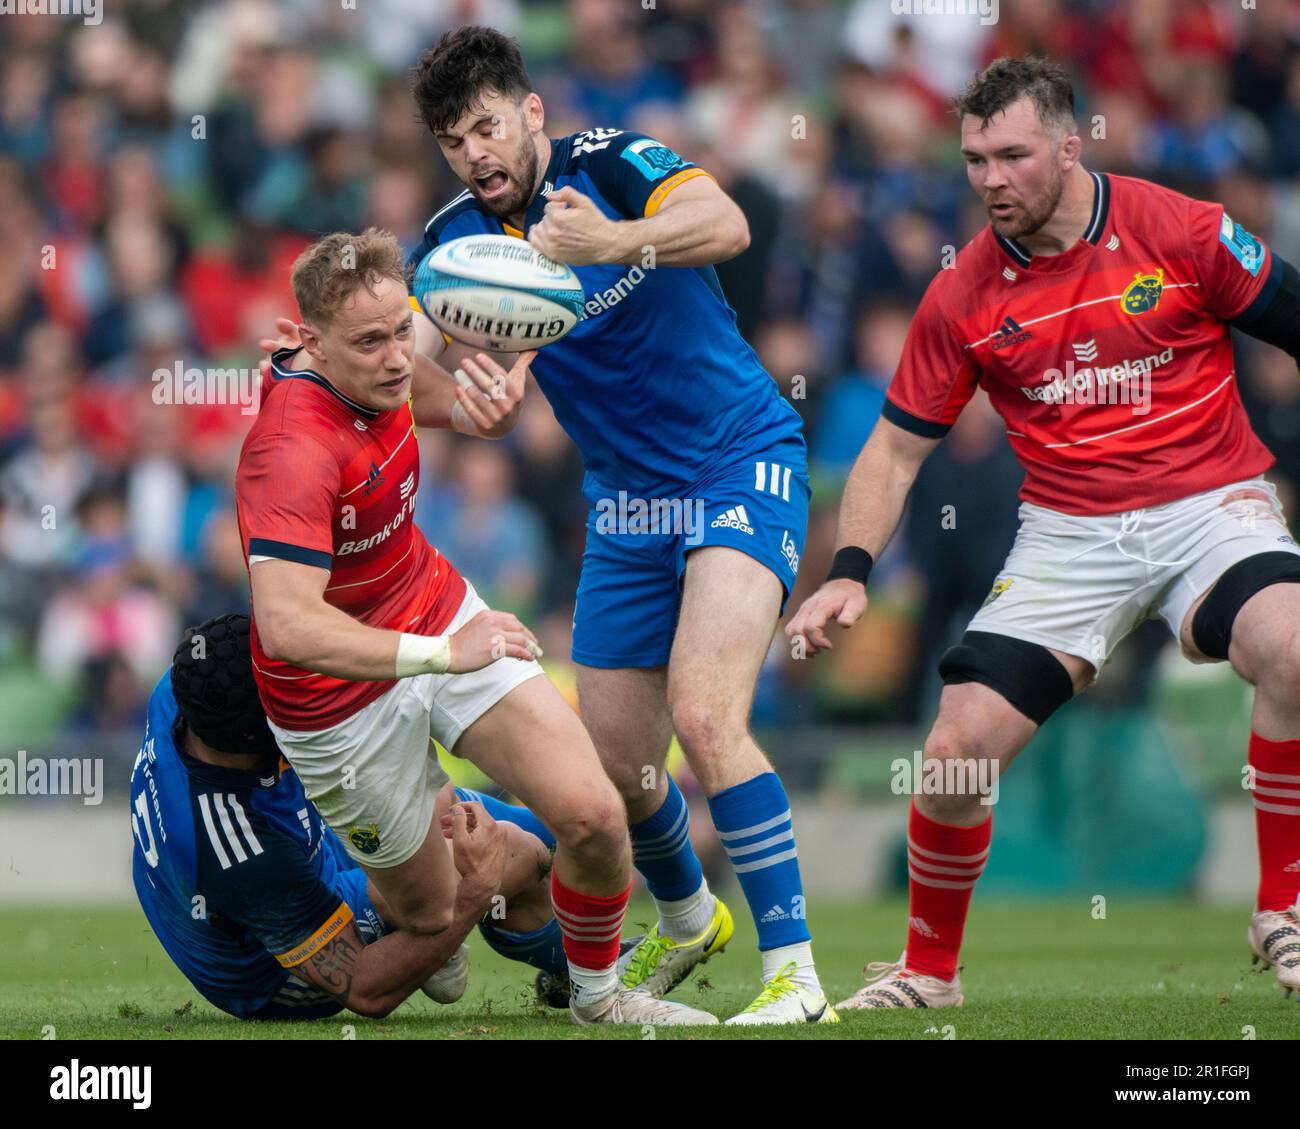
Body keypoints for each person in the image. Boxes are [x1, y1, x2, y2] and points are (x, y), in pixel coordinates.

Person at [788, 55, 1300, 1009]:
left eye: (1013, 155)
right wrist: (850, 570)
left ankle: (1282, 908)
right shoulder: (964, 292)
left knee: (1296, 646)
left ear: (1070, 148)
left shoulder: (1180, 230)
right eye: (975, 157)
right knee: (955, 755)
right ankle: (930, 976)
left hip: (1210, 509)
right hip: (1069, 534)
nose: (990, 178)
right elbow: (894, 453)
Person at [404, 25, 832, 1024]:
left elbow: (724, 222)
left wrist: (615, 241)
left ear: (531, 114)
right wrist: (455, 402)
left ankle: (798, 978)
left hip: (739, 457)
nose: (475, 153)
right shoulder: (454, 242)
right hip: (627, 504)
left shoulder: (614, 163)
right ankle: (688, 919)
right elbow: (402, 360)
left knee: (706, 715)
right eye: (453, 140)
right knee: (622, 769)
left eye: (487, 126)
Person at [237, 228, 713, 1027]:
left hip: (431, 604)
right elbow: (286, 626)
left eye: (401, 331)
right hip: (334, 702)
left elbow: (454, 403)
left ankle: (599, 998)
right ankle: (443, 893)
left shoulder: (383, 362)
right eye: (370, 343)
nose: (396, 358)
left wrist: (480, 407)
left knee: (594, 813)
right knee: (431, 912)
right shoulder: (288, 448)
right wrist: (439, 656)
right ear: (312, 343)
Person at [130, 614, 565, 1020]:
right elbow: (364, 990)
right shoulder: (238, 851)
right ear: (263, 738)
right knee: (515, 852)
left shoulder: (190, 685)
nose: (301, 699)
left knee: (558, 821)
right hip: (276, 972)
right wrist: (474, 892)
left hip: (306, 838)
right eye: (287, 704)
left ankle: (544, 963)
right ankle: (591, 972)